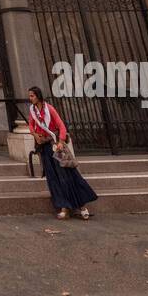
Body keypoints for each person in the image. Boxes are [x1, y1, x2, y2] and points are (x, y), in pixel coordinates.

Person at [25, 86, 97, 220]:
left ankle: (82, 206)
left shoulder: (49, 109)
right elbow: (30, 125)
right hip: (44, 147)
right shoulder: (32, 111)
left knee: (67, 174)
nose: (30, 98)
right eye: (30, 96)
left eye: (32, 96)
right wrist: (35, 135)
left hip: (55, 145)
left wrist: (60, 142)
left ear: (38, 96)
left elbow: (61, 126)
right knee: (53, 177)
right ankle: (64, 207)